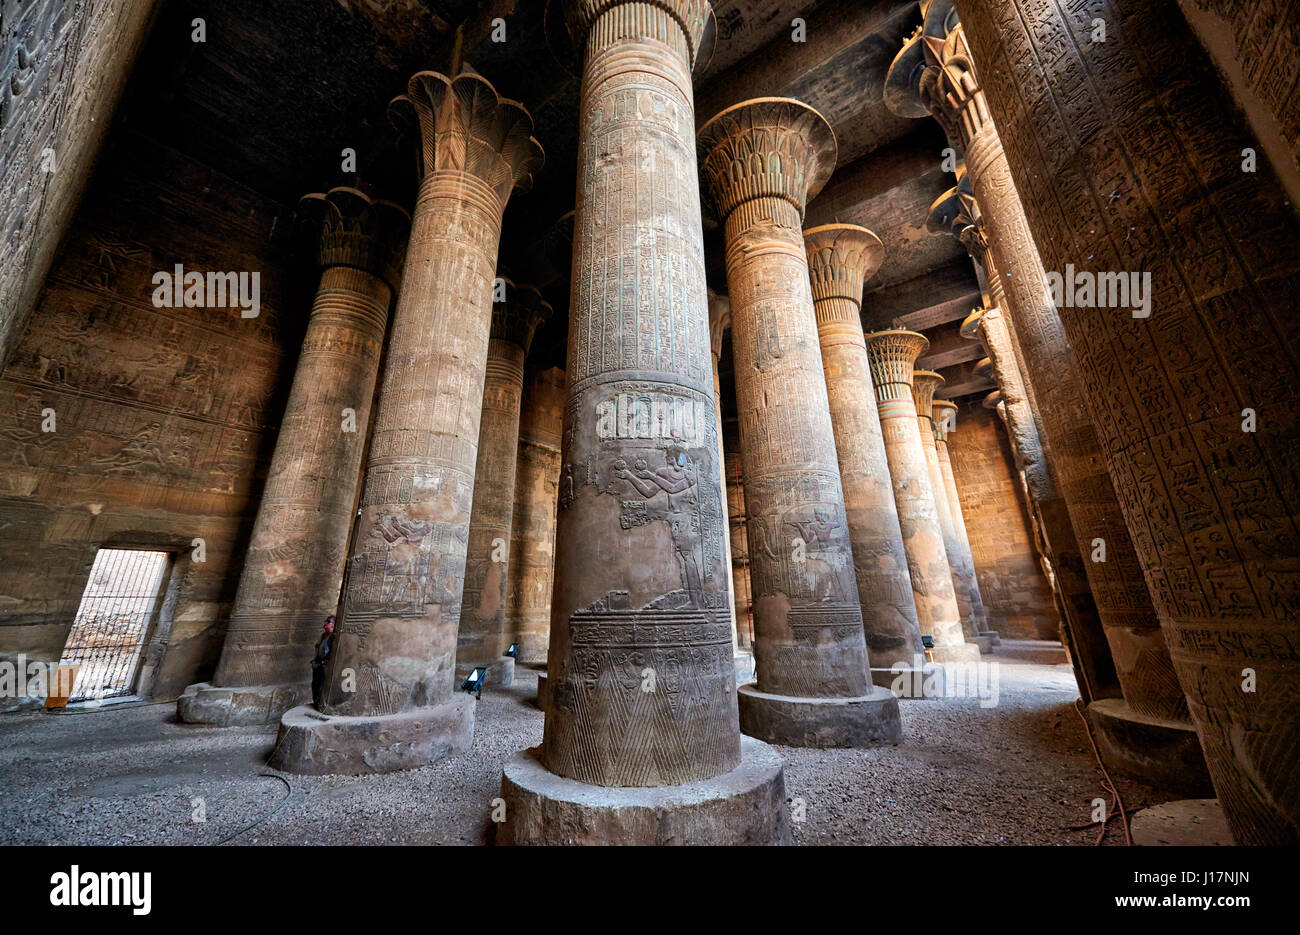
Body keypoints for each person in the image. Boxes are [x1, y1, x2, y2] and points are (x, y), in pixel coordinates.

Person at [311, 615, 336, 708]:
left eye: (328, 621)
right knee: (315, 685)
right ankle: (316, 703)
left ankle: (320, 705)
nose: (325, 623)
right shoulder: (322, 635)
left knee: (322, 686)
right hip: (317, 665)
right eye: (326, 621)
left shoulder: (333, 638)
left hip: (324, 666)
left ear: (333, 625)